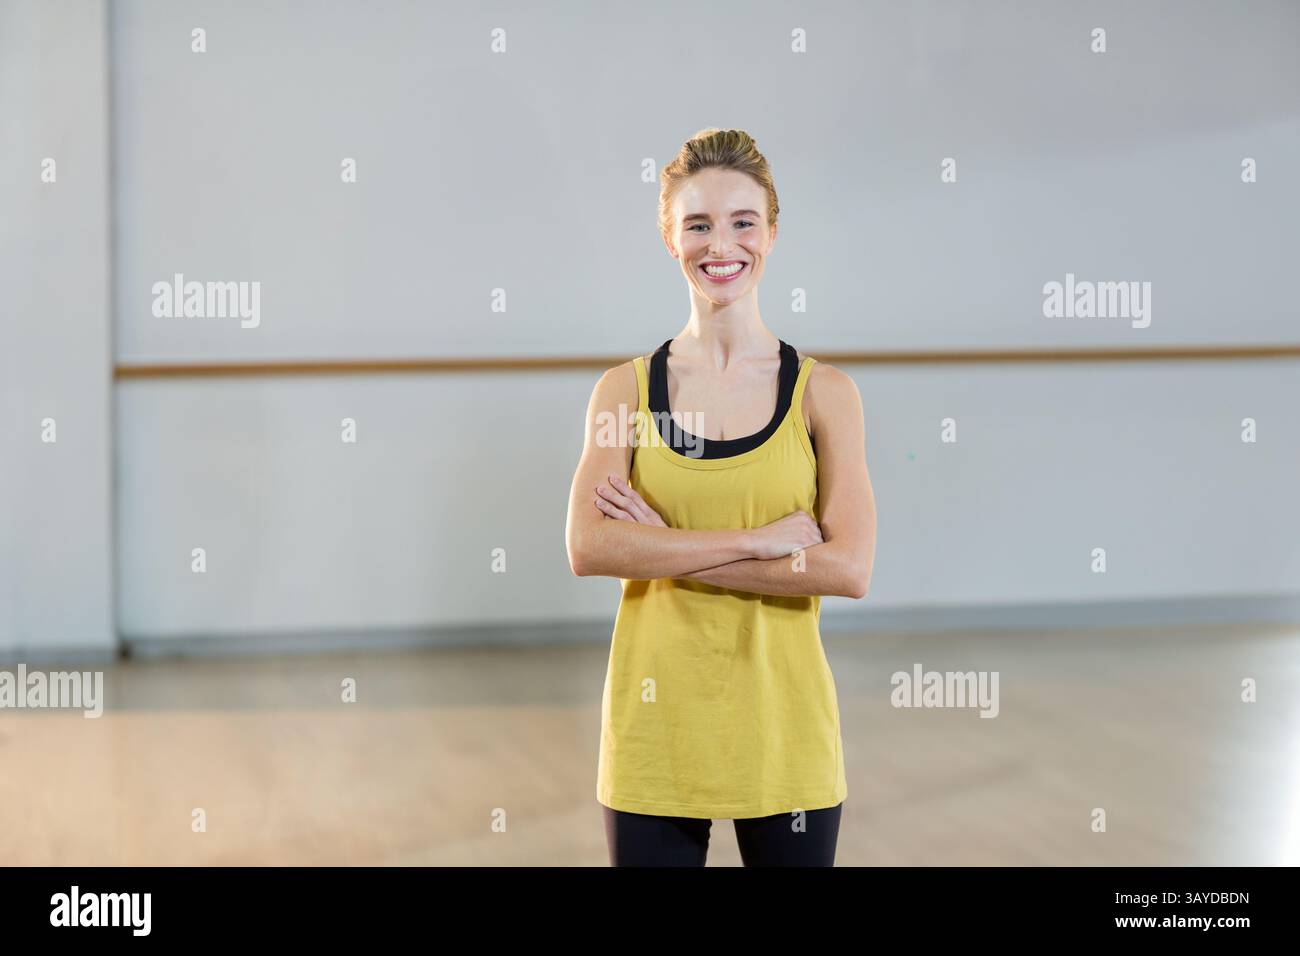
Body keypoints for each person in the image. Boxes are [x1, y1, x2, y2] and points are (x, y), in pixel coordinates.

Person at [565, 128, 877, 866]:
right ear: (669, 237)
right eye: (698, 224)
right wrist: (757, 539)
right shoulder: (625, 392)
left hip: (786, 739)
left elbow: (848, 569)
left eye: (742, 221)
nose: (721, 245)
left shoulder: (825, 394)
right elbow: (589, 549)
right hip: (653, 742)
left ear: (771, 231)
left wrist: (658, 548)